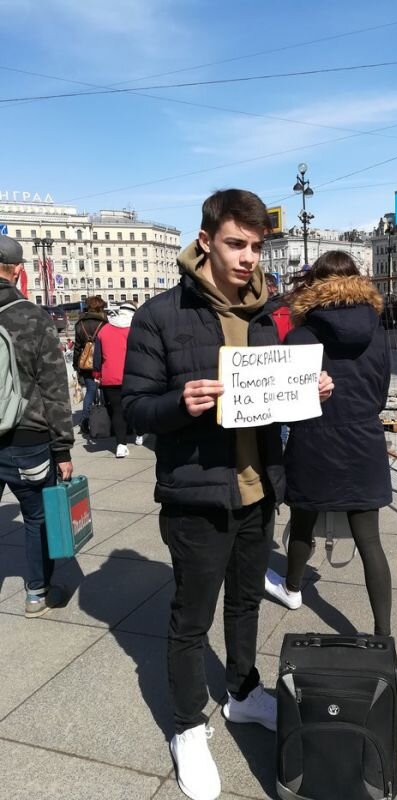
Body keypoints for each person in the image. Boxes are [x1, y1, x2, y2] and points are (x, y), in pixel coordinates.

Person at [121, 189, 333, 800]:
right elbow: (133, 406)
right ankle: (188, 727)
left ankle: (242, 693)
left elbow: (275, 400)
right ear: (207, 240)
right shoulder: (160, 315)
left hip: (258, 488)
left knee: (245, 606)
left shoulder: (268, 315)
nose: (248, 258)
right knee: (192, 619)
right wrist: (177, 404)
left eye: (257, 246)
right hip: (196, 495)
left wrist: (308, 389)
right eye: (236, 244)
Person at [265, 250, 393, 638]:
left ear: (312, 284)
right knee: (370, 540)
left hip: (313, 444)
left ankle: (291, 588)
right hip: (364, 443)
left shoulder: (300, 335)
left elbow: (286, 402)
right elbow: (381, 396)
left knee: (302, 521)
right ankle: (382, 634)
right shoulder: (377, 331)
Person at [0, 235, 74, 617]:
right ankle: (37, 593)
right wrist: (62, 447)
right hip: (27, 438)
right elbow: (54, 388)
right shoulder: (31, 316)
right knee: (36, 517)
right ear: (16, 271)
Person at [92, 302, 141, 457]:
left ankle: (121, 445)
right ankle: (139, 434)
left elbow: (97, 357)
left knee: (117, 411)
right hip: (133, 375)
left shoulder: (104, 330)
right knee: (137, 406)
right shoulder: (135, 329)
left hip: (110, 377)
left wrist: (97, 374)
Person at [73, 295, 107, 435]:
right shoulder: (104, 323)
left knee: (90, 391)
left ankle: (85, 421)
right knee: (104, 390)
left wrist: (76, 365)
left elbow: (77, 347)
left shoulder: (80, 323)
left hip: (86, 363)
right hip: (102, 360)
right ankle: (105, 418)